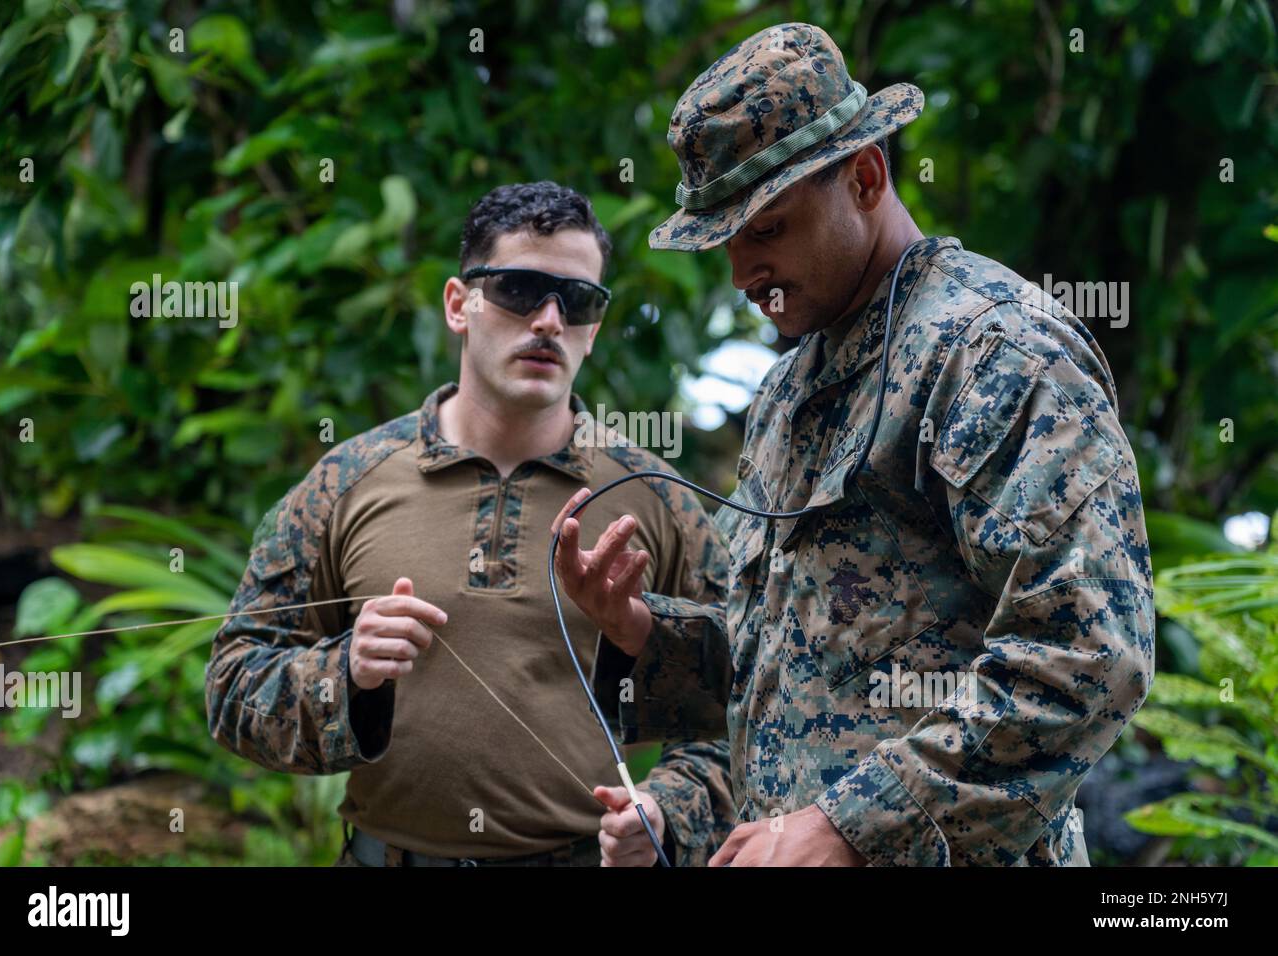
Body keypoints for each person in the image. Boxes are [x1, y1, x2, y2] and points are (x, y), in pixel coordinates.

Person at [554, 22, 1155, 866]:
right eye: (725, 241)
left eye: (765, 229)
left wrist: (852, 825)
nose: (739, 273)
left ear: (866, 178)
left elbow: (1090, 655)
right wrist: (645, 632)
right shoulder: (787, 394)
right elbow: (798, 662)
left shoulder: (993, 353)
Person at [206, 181, 735, 866]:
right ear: (460, 304)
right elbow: (231, 686)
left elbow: (746, 701)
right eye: (519, 290)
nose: (547, 320)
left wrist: (667, 814)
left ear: (594, 329)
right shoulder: (347, 480)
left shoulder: (657, 499)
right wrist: (346, 673)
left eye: (576, 301)